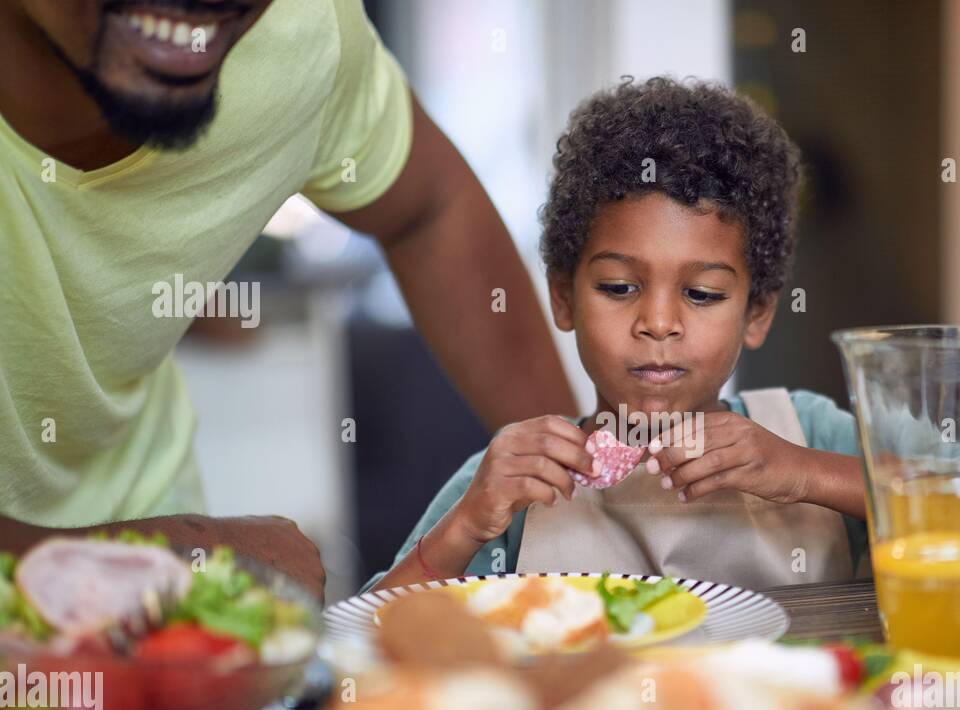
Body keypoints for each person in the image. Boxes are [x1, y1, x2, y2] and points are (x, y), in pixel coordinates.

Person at [372, 77, 960, 592]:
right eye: (618, 287)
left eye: (703, 293)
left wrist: (806, 474)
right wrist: (466, 526)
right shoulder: (517, 482)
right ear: (563, 297)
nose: (657, 322)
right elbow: (362, 652)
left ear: (758, 313)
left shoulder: (809, 433)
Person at [0, 0, 577, 598]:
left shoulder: (302, 30)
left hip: (165, 623)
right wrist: (176, 552)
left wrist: (582, 495)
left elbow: (430, 206)